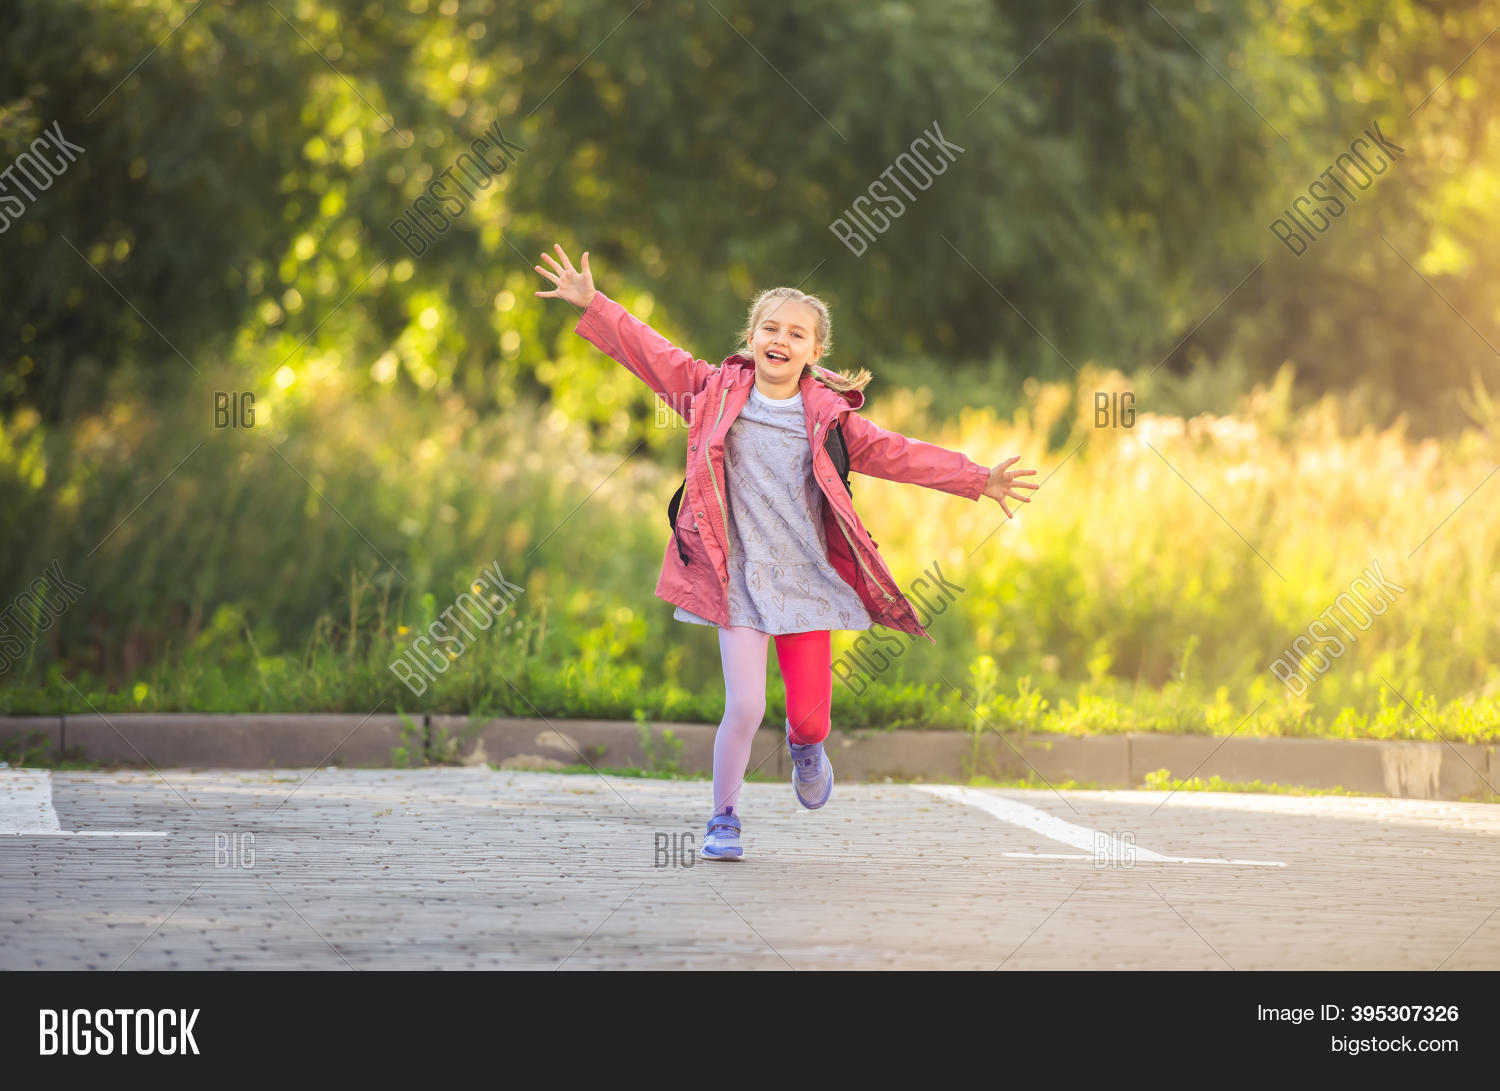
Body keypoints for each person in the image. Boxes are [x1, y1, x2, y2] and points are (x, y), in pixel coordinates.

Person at [534, 244, 1037, 860]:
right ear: (750, 338)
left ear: (814, 352)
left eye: (796, 333)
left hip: (805, 579)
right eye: (769, 328)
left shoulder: (829, 417)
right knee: (744, 706)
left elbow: (901, 453)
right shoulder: (710, 392)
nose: (781, 338)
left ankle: (806, 751)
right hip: (737, 577)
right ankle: (723, 818)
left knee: (811, 719)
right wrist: (594, 305)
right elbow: (650, 353)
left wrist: (977, 478)